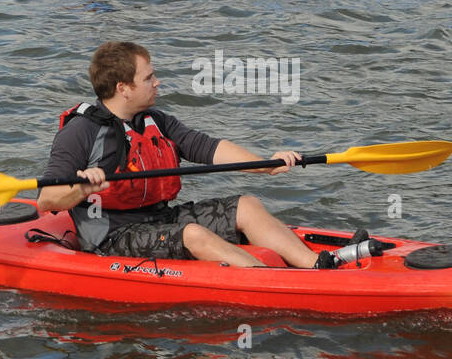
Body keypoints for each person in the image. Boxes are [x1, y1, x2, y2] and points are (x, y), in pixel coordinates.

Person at [38, 41, 344, 268]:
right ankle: (277, 284)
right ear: (123, 88)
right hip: (112, 236)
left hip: (159, 218)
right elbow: (47, 198)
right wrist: (82, 188)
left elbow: (208, 148)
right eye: (148, 77)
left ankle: (316, 265)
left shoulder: (156, 121)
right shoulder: (82, 131)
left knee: (247, 205)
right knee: (193, 234)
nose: (157, 82)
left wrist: (266, 165)